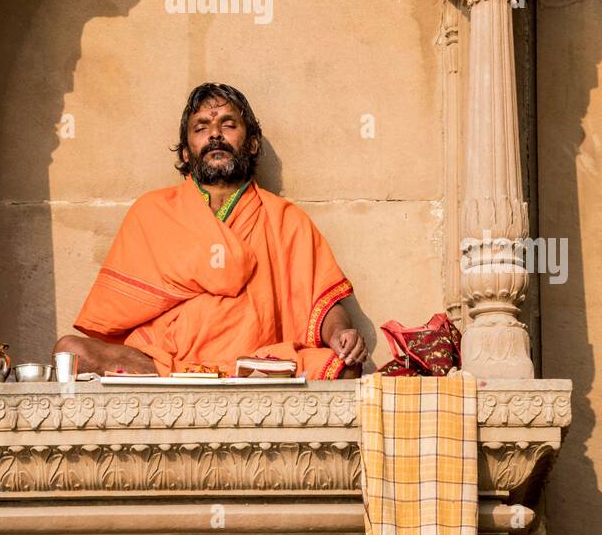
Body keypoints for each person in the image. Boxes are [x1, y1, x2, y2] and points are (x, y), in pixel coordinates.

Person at [54, 83, 367, 379]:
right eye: (201, 128)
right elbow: (117, 314)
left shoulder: (286, 219)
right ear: (187, 153)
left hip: (256, 362)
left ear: (253, 143)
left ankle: (207, 380)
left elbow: (323, 306)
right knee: (70, 351)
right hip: (165, 362)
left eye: (228, 125)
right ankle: (191, 378)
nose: (215, 134)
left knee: (343, 365)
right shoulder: (152, 211)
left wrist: (341, 334)